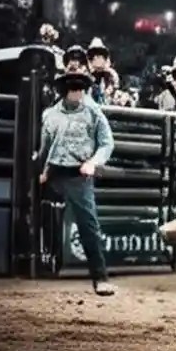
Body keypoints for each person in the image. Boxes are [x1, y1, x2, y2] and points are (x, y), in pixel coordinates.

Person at [36, 70, 116, 295]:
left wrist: (93, 162)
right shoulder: (50, 115)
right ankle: (40, 268)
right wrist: (42, 171)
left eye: (80, 88)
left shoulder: (93, 112)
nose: (77, 93)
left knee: (88, 223)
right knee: (42, 216)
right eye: (73, 89)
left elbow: (107, 143)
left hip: (79, 172)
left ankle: (100, 276)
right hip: (54, 170)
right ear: (64, 91)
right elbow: (45, 146)